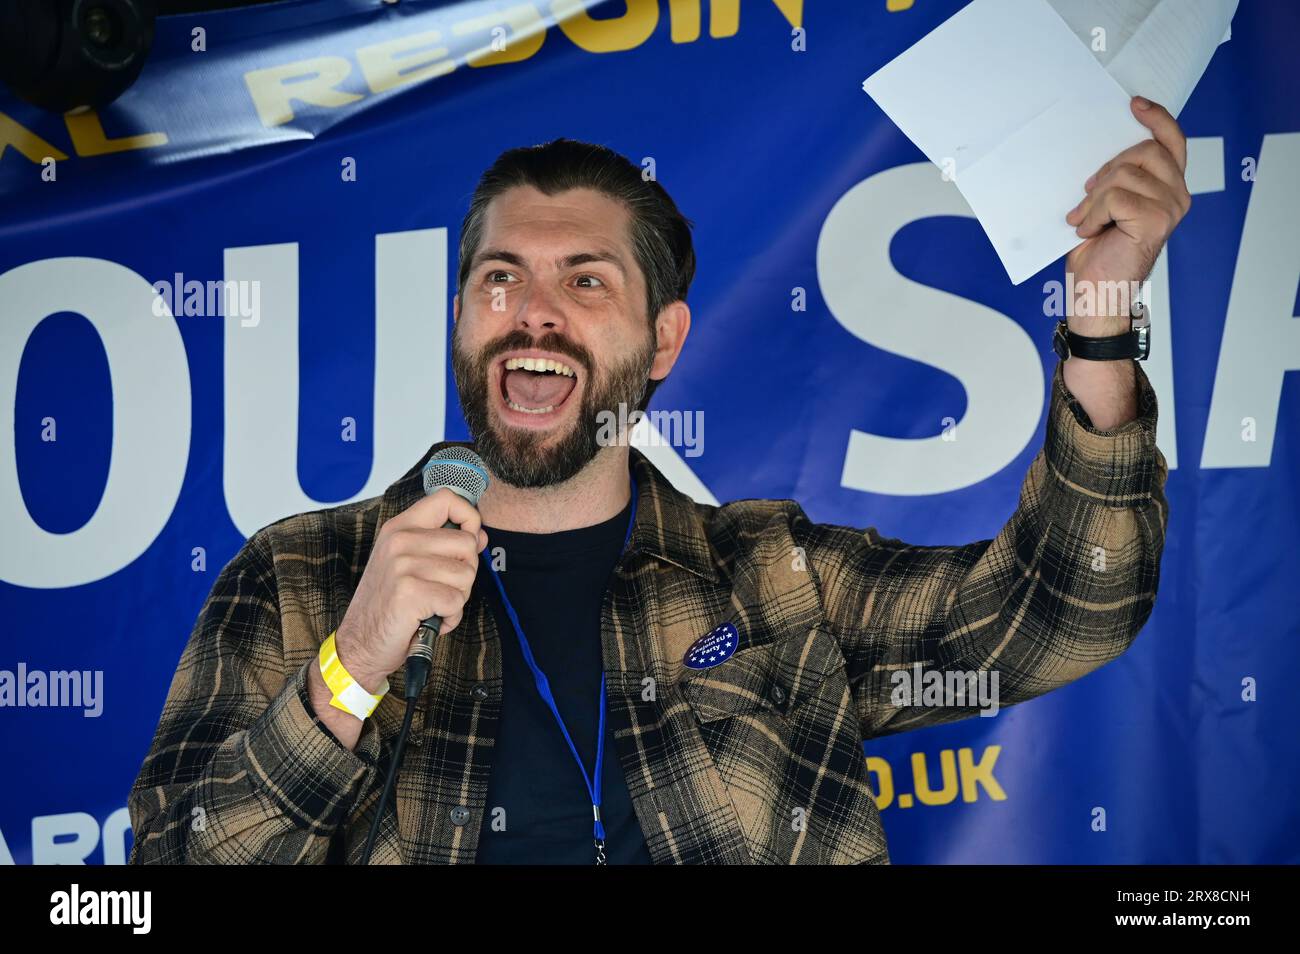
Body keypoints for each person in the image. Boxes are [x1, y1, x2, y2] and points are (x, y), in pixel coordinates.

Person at [128, 98, 1185, 864]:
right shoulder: (300, 575)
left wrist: (1097, 321)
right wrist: (350, 667)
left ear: (663, 339)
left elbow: (1061, 611)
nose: (533, 313)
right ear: (460, 316)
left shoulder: (773, 578)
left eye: (584, 280)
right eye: (499, 279)